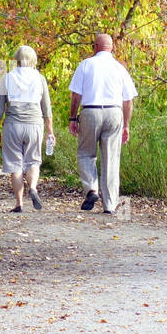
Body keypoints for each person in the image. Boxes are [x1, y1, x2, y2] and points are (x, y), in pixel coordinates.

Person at [67, 33, 137, 214]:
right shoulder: (119, 68)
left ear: (95, 47)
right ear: (111, 48)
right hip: (114, 112)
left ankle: (91, 189)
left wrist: (73, 117)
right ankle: (110, 205)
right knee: (111, 159)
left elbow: (76, 95)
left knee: (85, 153)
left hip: (90, 111)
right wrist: (126, 125)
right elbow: (128, 101)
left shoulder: (86, 65)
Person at [0, 44, 54, 212]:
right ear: (33, 59)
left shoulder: (7, 78)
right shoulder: (39, 78)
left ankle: (19, 203)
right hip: (34, 123)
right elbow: (46, 107)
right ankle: (33, 187)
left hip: (13, 124)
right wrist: (50, 131)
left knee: (15, 165)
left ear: (16, 60)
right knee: (33, 161)